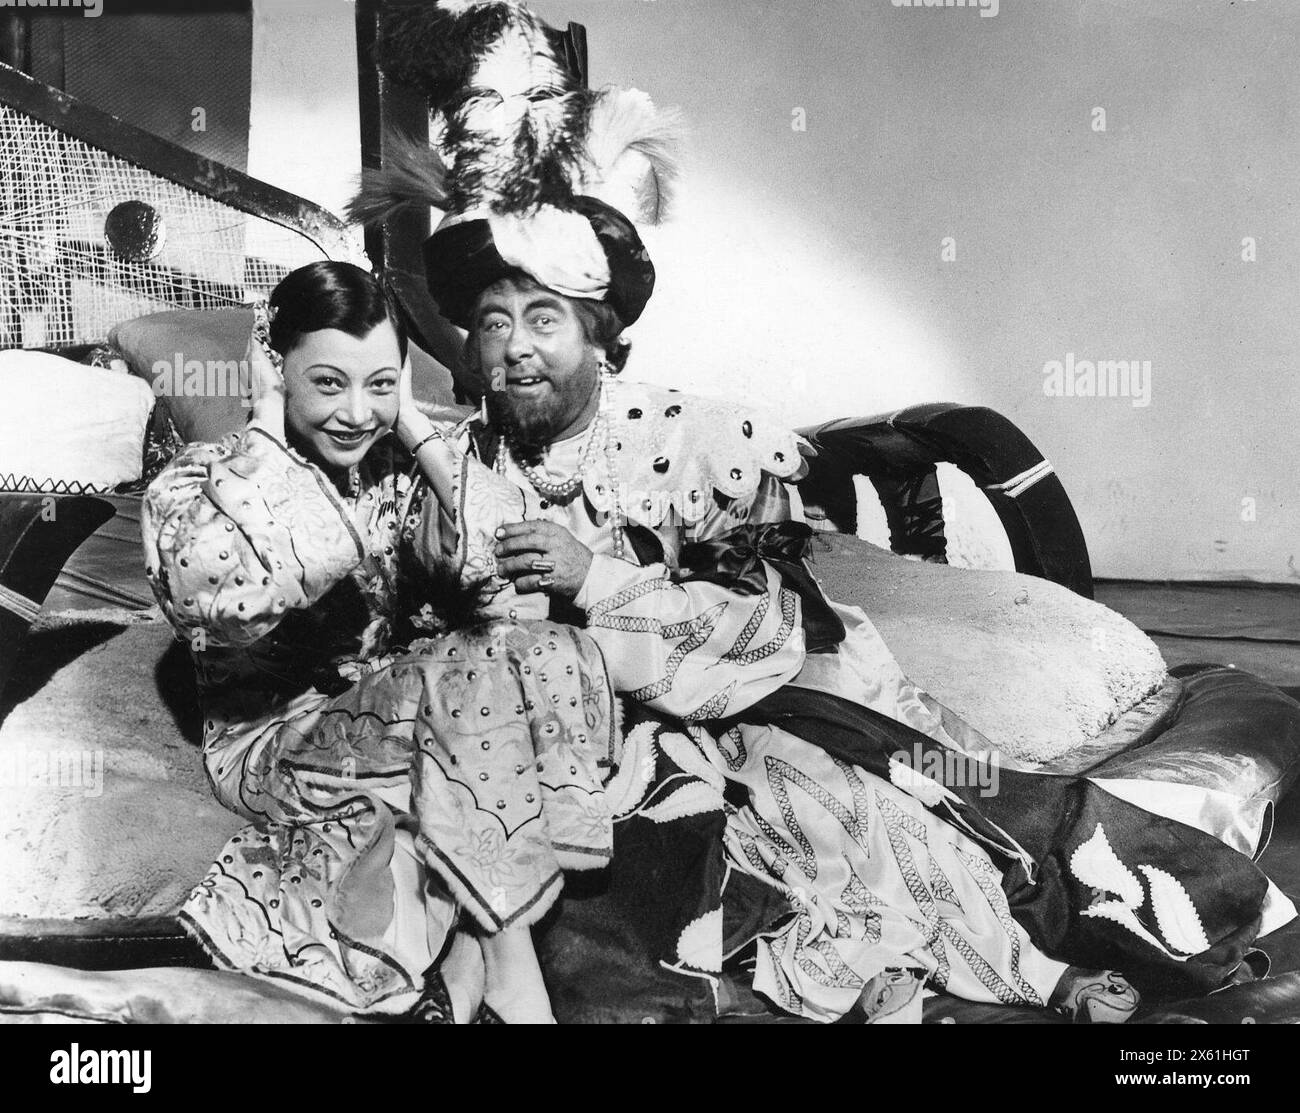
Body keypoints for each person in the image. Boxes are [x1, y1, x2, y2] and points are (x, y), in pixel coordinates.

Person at [409, 196, 1288, 1023]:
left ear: (601, 337)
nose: (517, 347)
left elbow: (769, 627)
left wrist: (596, 580)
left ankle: (1027, 970)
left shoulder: (696, 444)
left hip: (743, 701)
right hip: (546, 743)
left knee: (861, 804)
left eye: (544, 319)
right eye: (495, 323)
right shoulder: (450, 470)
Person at [141, 260, 622, 1024]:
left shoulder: (392, 471)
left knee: (546, 645)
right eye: (329, 383)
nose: (356, 413)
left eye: (379, 384)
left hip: (392, 717)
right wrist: (268, 427)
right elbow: (228, 603)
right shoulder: (202, 483)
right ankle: (512, 971)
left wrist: (418, 431)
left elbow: (483, 553)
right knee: (462, 676)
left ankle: (471, 955)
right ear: (273, 365)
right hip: (276, 743)